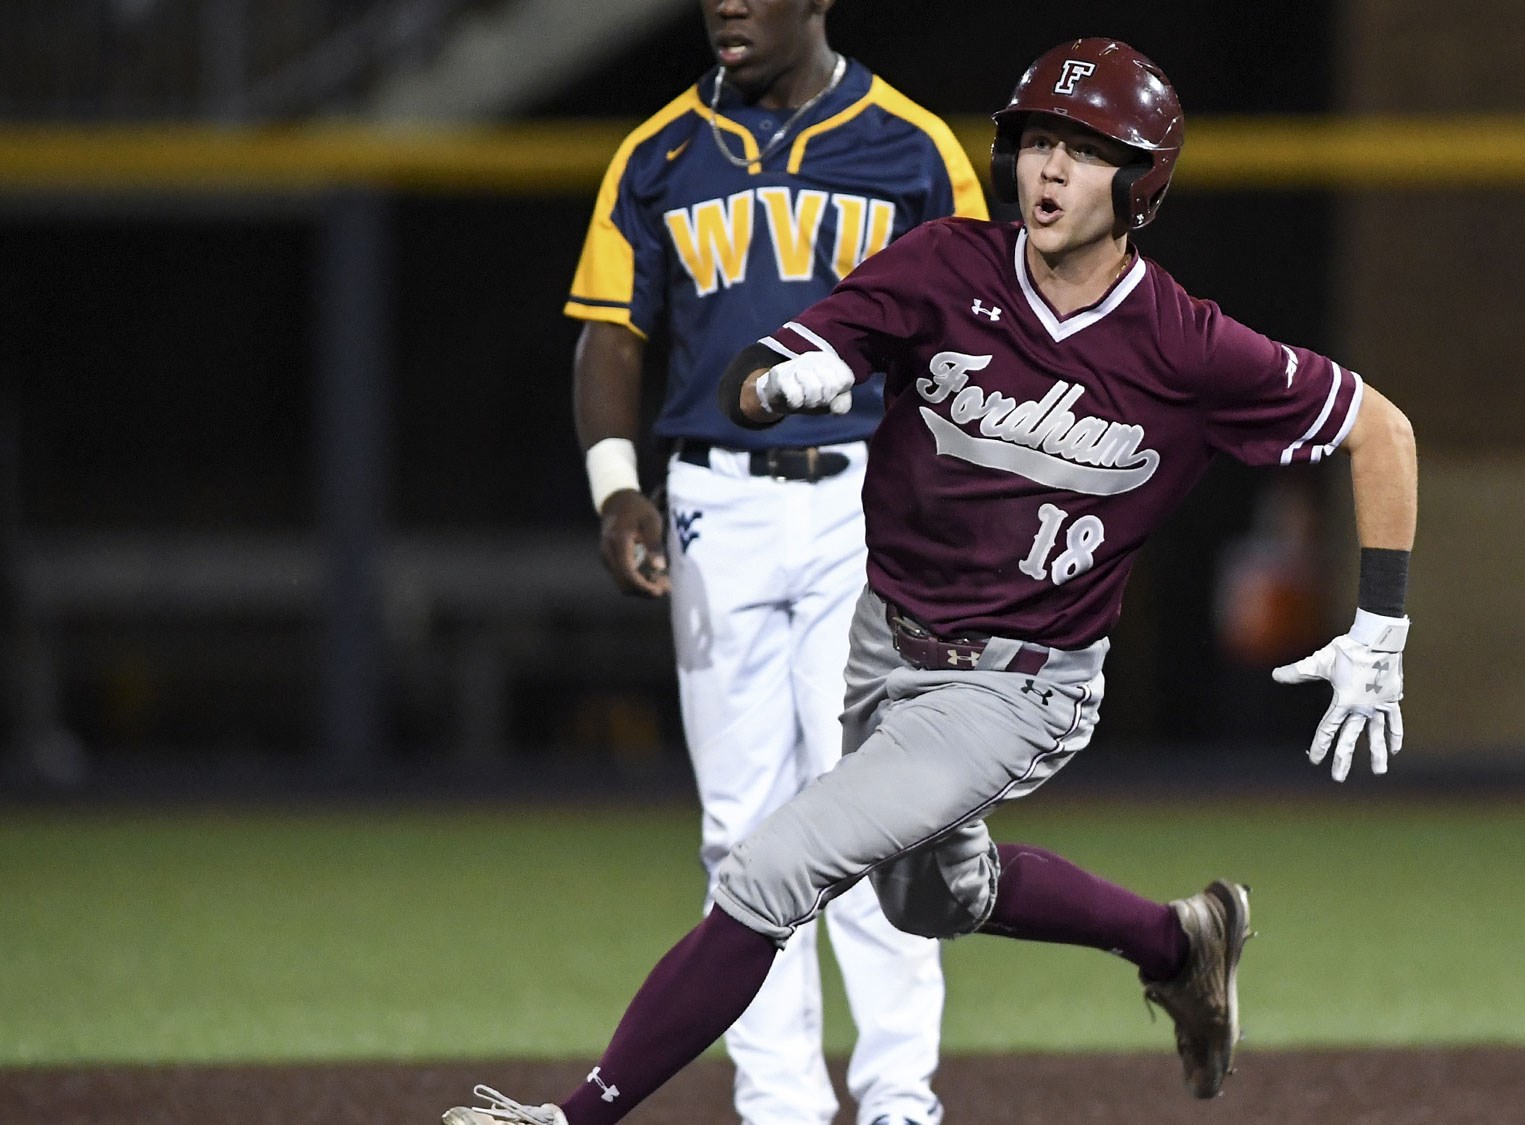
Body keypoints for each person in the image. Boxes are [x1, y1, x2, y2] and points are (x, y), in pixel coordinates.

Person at [446, 37, 1417, 1125]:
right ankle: (1176, 938)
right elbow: (748, 375)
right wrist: (787, 378)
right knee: (928, 897)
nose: (1047, 172)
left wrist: (1379, 621)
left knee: (770, 868)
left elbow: (1380, 429)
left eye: (1085, 152)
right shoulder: (945, 265)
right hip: (885, 641)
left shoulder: (1183, 345)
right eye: (1036, 143)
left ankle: (572, 1117)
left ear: (1140, 180)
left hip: (1018, 686)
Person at [559, 1, 986, 1123]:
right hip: (715, 504)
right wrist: (616, 493)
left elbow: (988, 335)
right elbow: (609, 331)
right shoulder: (658, 152)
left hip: (868, 503)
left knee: (876, 814)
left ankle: (899, 1100)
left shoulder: (912, 146)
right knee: (740, 831)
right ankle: (777, 1104)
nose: (729, 6)